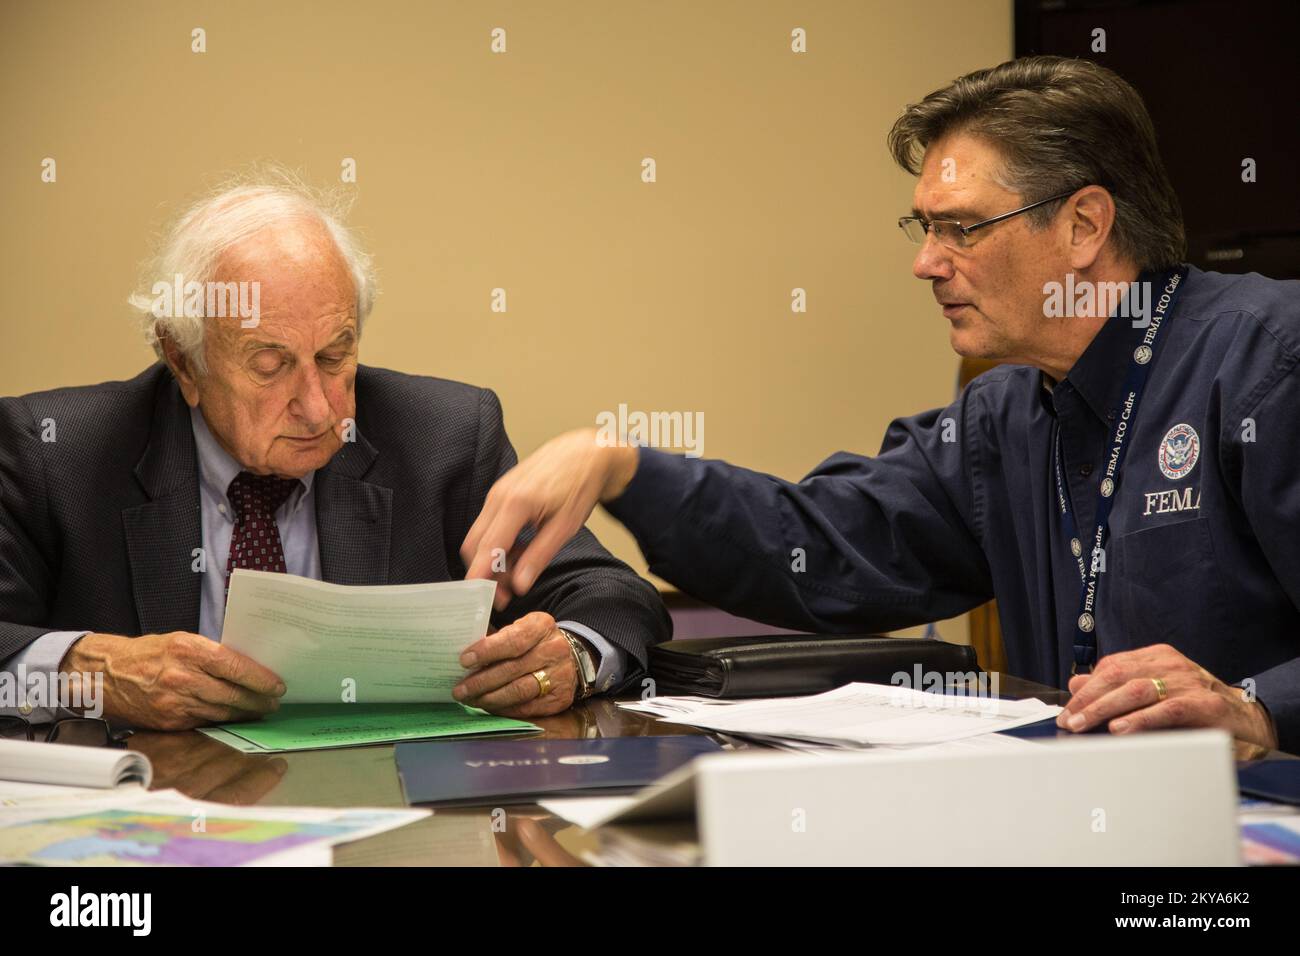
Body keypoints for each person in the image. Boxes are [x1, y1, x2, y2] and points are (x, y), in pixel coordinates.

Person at [463, 57, 1299, 759]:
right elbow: (817, 547)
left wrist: (1259, 711)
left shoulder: (1266, 360)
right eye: (923, 228)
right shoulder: (999, 418)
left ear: (1083, 226)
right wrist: (624, 466)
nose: (926, 263)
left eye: (962, 228)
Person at [0, 175, 669, 729]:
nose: (319, 408)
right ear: (184, 362)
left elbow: (613, 596)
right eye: (270, 364)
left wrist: (573, 657)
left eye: (334, 354)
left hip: (388, 816)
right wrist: (85, 671)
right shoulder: (57, 454)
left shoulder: (443, 437)